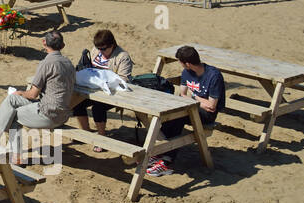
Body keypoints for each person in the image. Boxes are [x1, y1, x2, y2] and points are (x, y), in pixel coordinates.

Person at [0, 31, 76, 145]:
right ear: (62, 46)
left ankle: (15, 154)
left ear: (44, 43)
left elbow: (33, 94)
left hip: (49, 114)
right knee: (11, 100)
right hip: (63, 114)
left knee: (12, 113)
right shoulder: (69, 63)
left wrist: (20, 92)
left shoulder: (46, 63)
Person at [147, 45, 224, 176]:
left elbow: (211, 106)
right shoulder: (187, 72)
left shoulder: (213, 76)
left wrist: (194, 97)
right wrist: (198, 100)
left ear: (187, 64)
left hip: (207, 115)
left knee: (179, 116)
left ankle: (167, 161)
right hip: (192, 107)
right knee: (170, 115)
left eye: (181, 63)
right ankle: (161, 153)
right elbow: (182, 94)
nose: (181, 66)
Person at [71, 29, 134, 150]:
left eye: (104, 49)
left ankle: (102, 137)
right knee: (76, 102)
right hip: (92, 89)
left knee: (98, 108)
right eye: (99, 48)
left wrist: (105, 82)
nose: (101, 51)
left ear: (112, 45)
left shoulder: (122, 57)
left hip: (110, 92)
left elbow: (124, 79)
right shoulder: (96, 50)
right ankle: (86, 131)